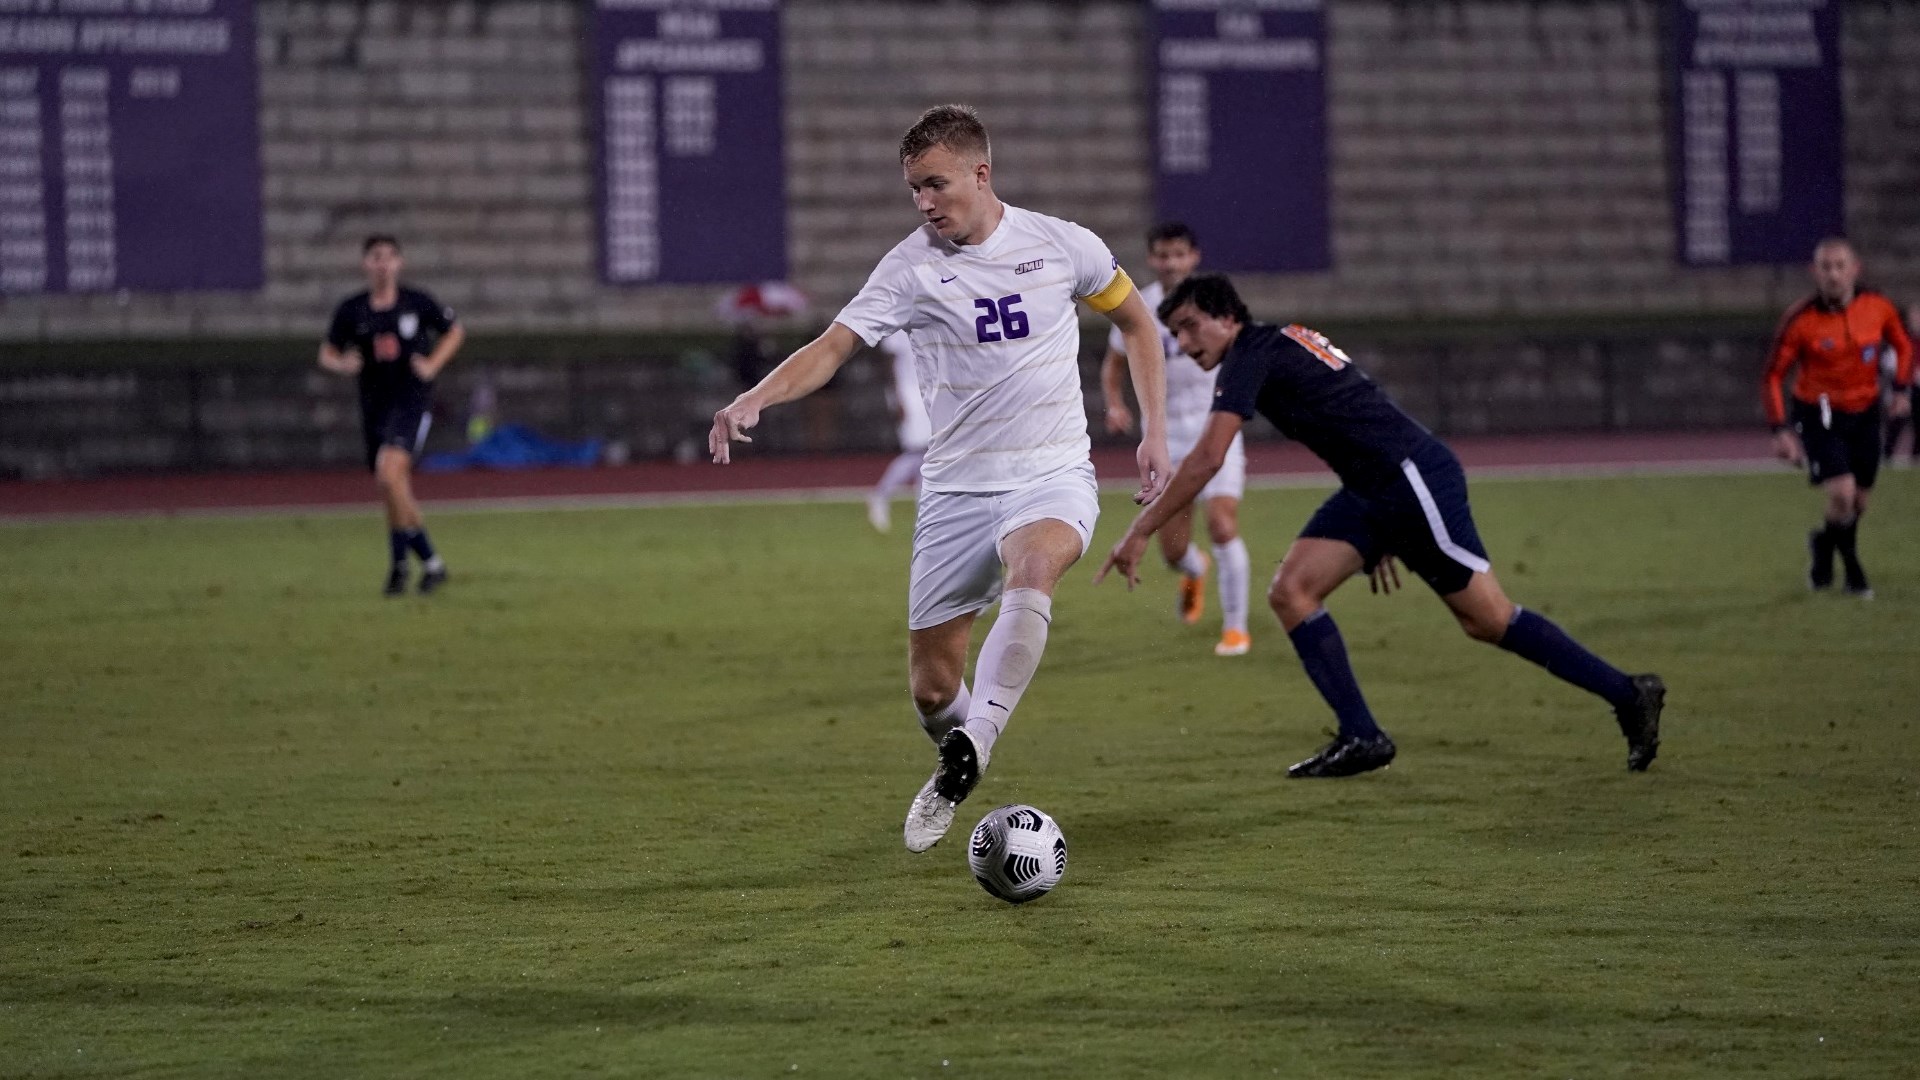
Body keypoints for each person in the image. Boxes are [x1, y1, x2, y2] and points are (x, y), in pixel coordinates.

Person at [710, 105, 1171, 849]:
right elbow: (833, 346)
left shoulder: (1062, 245)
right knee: (931, 690)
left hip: (1050, 470)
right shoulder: (909, 267)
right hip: (956, 489)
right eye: (913, 190)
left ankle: (977, 741)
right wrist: (755, 396)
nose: (924, 203)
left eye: (935, 184)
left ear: (981, 174)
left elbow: (1138, 322)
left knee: (1037, 562)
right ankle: (961, 746)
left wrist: (1154, 432)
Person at [1096, 274, 1664, 778]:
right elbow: (1357, 407)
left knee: (1487, 619)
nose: (1186, 344)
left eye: (1192, 327)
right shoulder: (1274, 341)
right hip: (1375, 489)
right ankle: (1363, 736)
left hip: (1412, 480)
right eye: (1177, 333)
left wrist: (1141, 530)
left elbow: (1208, 458)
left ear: (1227, 317)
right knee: (1292, 591)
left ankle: (1627, 692)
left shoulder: (1251, 352)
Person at [1100, 222, 1252, 656]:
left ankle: (1236, 628)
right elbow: (1113, 363)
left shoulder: (1217, 303)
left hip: (1215, 425)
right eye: (1163, 255)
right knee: (1173, 552)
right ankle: (1195, 569)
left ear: (1194, 257)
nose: (1171, 263)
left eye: (1178, 254)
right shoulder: (1138, 305)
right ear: (1152, 258)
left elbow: (1245, 350)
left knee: (1222, 523)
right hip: (1166, 435)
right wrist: (1115, 404)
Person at [1763, 238, 1912, 597]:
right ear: (1815, 273)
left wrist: (1902, 389)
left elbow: (1904, 346)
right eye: (1826, 267)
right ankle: (1854, 574)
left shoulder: (1878, 307)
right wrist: (1780, 430)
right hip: (1820, 412)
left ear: (1854, 269)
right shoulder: (1801, 320)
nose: (1833, 274)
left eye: (1840, 266)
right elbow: (1772, 376)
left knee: (1858, 502)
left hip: (1866, 412)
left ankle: (1824, 545)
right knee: (1842, 494)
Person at [319, 235, 465, 596]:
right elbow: (326, 352)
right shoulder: (353, 310)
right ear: (365, 264)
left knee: (389, 474)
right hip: (374, 406)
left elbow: (455, 331)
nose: (382, 263)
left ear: (400, 262)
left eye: (389, 257)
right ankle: (402, 567)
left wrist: (432, 364)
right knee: (392, 487)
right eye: (375, 257)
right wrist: (341, 363)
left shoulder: (417, 302)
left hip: (411, 402)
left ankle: (430, 562)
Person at [866, 329, 931, 533]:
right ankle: (881, 495)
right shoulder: (900, 326)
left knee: (929, 456)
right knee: (918, 451)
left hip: (929, 392)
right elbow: (890, 364)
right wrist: (896, 398)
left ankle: (923, 513)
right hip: (909, 393)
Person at [1879, 301, 1920, 463]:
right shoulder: (1902, 340)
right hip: (1901, 387)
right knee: (1896, 423)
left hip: (1917, 389)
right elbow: (1889, 362)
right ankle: (1886, 456)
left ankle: (1915, 458)